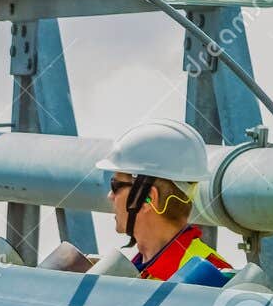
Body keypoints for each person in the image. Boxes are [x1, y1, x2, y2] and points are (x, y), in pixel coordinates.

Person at [96, 118, 231, 281]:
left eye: (115, 185)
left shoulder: (211, 279)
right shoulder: (140, 271)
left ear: (148, 198)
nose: (110, 196)